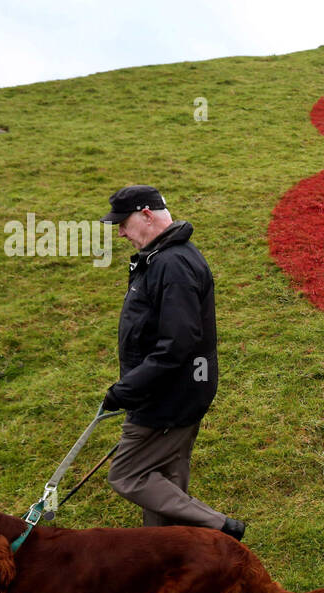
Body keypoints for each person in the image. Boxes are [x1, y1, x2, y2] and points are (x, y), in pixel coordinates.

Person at [99, 184, 244, 539]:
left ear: (146, 215)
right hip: (177, 391)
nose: (120, 232)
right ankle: (170, 556)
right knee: (164, 479)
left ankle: (217, 526)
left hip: (167, 398)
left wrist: (126, 390)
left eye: (124, 222)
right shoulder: (161, 258)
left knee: (127, 474)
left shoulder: (172, 264)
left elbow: (177, 344)